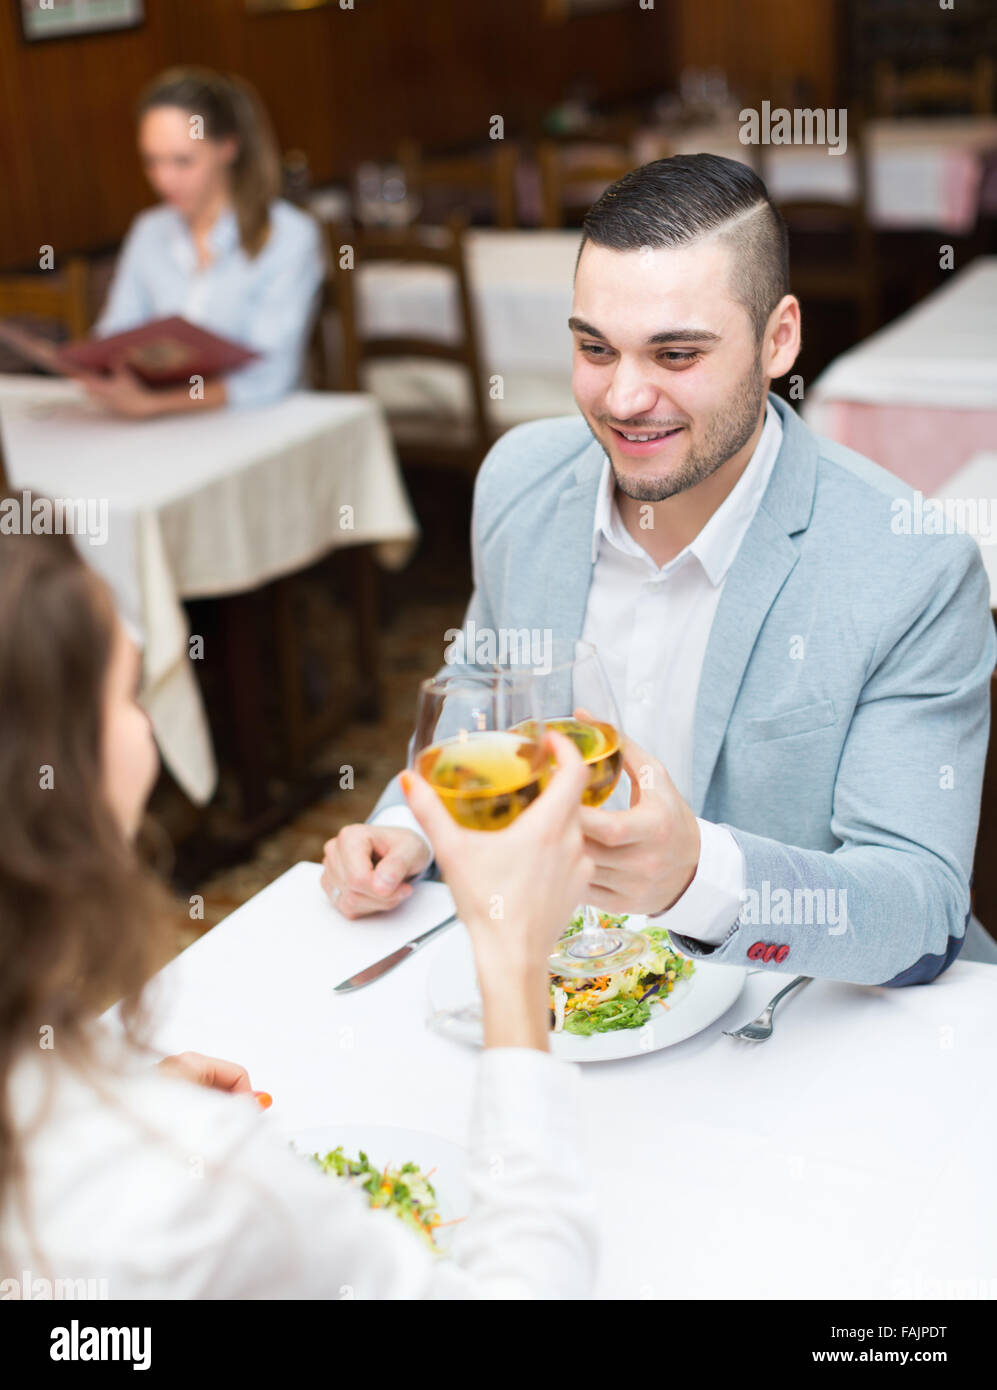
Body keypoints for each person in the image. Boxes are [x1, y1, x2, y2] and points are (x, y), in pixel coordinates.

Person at [321, 153, 997, 986]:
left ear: (778, 338)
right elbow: (482, 679)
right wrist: (410, 829)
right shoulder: (518, 480)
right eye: (595, 348)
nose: (623, 398)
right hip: (573, 993)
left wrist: (696, 879)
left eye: (675, 355)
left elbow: (917, 908)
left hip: (806, 1023)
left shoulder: (910, 566)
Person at [0, 527, 597, 1298]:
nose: (148, 728)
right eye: (124, 696)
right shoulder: (190, 1195)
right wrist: (515, 965)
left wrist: (115, 1101)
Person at [83, 67, 324, 419]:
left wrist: (155, 405)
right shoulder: (149, 230)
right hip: (167, 427)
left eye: (183, 161)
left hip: (262, 425)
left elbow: (271, 378)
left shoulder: (289, 235)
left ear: (228, 146)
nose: (164, 180)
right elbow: (115, 334)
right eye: (151, 161)